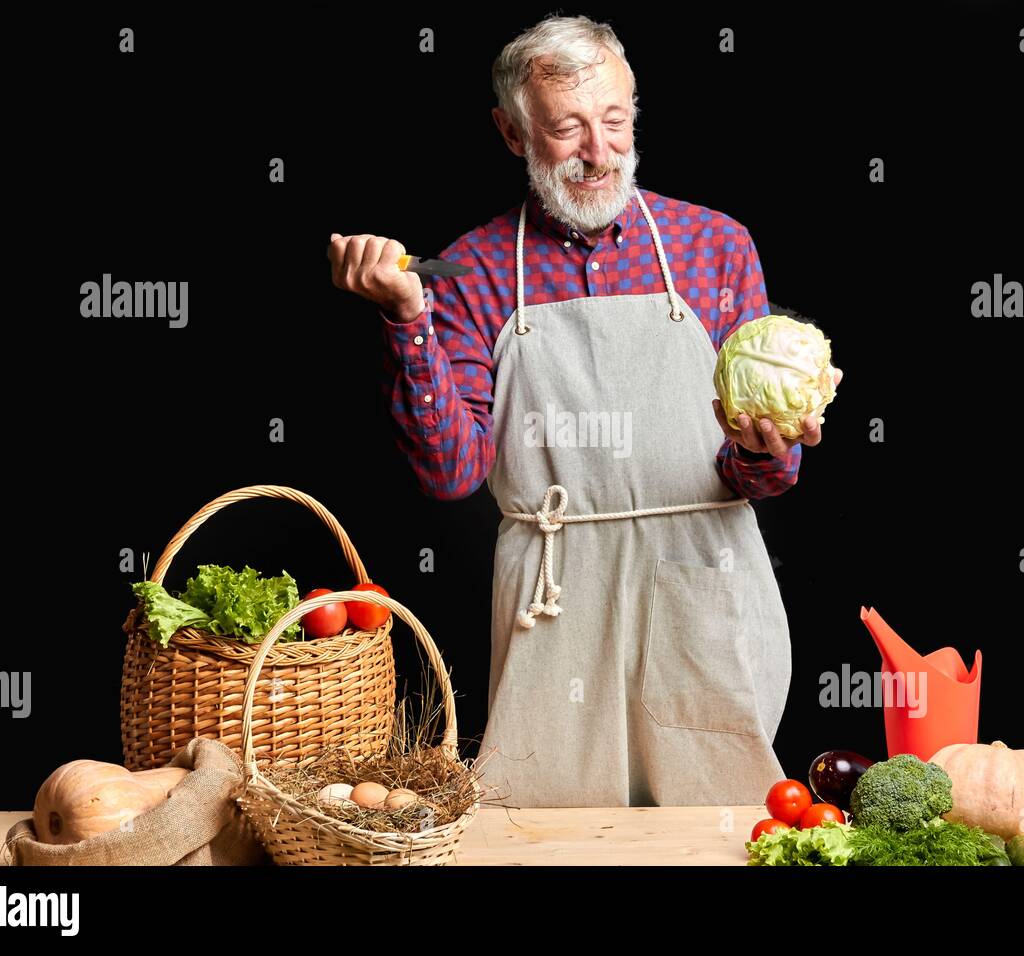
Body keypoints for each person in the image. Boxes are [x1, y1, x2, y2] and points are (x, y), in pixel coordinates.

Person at [328, 14, 843, 808]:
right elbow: (452, 474)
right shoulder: (471, 271)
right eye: (567, 129)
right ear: (511, 131)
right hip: (556, 595)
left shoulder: (716, 246)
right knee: (550, 830)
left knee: (718, 817)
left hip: (699, 583)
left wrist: (767, 449)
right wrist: (408, 319)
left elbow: (759, 478)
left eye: (615, 121)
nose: (600, 153)